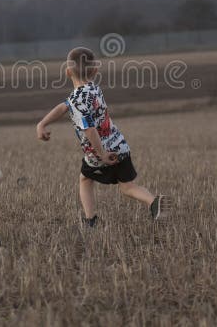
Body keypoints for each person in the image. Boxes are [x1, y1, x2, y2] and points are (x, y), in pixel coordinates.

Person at [36, 46, 167, 227]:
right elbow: (64, 106)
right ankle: (153, 202)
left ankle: (91, 220)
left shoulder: (77, 100)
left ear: (67, 72)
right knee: (127, 186)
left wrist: (102, 154)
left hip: (99, 153)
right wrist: (42, 123)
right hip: (120, 145)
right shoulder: (94, 89)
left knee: (85, 178)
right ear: (95, 71)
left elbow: (89, 130)